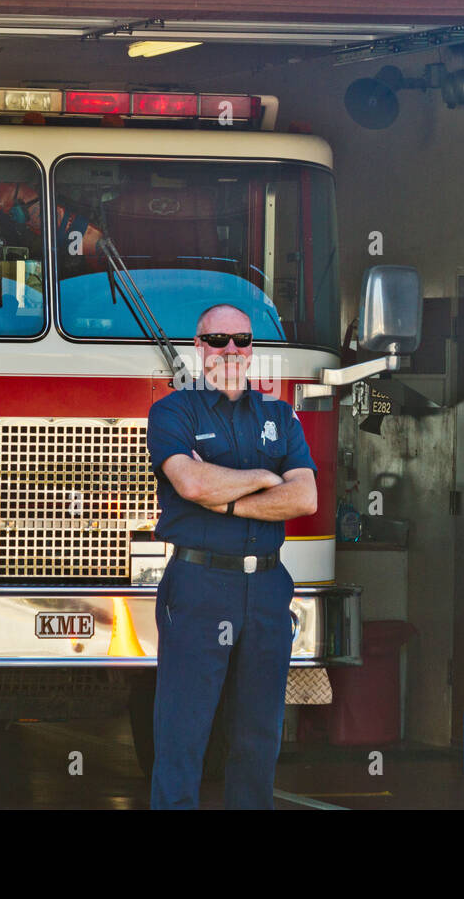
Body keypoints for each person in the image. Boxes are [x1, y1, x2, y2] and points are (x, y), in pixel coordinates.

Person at [144, 302, 318, 810]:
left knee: (259, 739)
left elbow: (305, 498)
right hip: (199, 588)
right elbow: (190, 480)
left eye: (241, 340)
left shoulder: (279, 415)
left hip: (266, 589)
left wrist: (227, 496)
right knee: (183, 735)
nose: (231, 351)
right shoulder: (173, 411)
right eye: (218, 342)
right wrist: (268, 478)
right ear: (199, 349)